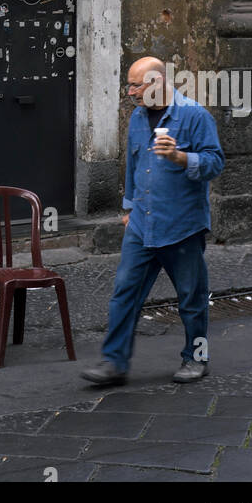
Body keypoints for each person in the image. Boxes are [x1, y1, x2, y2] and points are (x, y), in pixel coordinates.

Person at [81, 56, 225, 387]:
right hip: (142, 224)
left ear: (158, 82)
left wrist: (180, 156)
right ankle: (114, 362)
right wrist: (129, 206)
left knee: (192, 297)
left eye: (136, 85)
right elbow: (133, 166)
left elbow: (215, 163)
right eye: (128, 85)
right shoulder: (136, 118)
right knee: (124, 293)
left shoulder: (193, 116)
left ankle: (196, 358)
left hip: (182, 225)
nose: (130, 92)